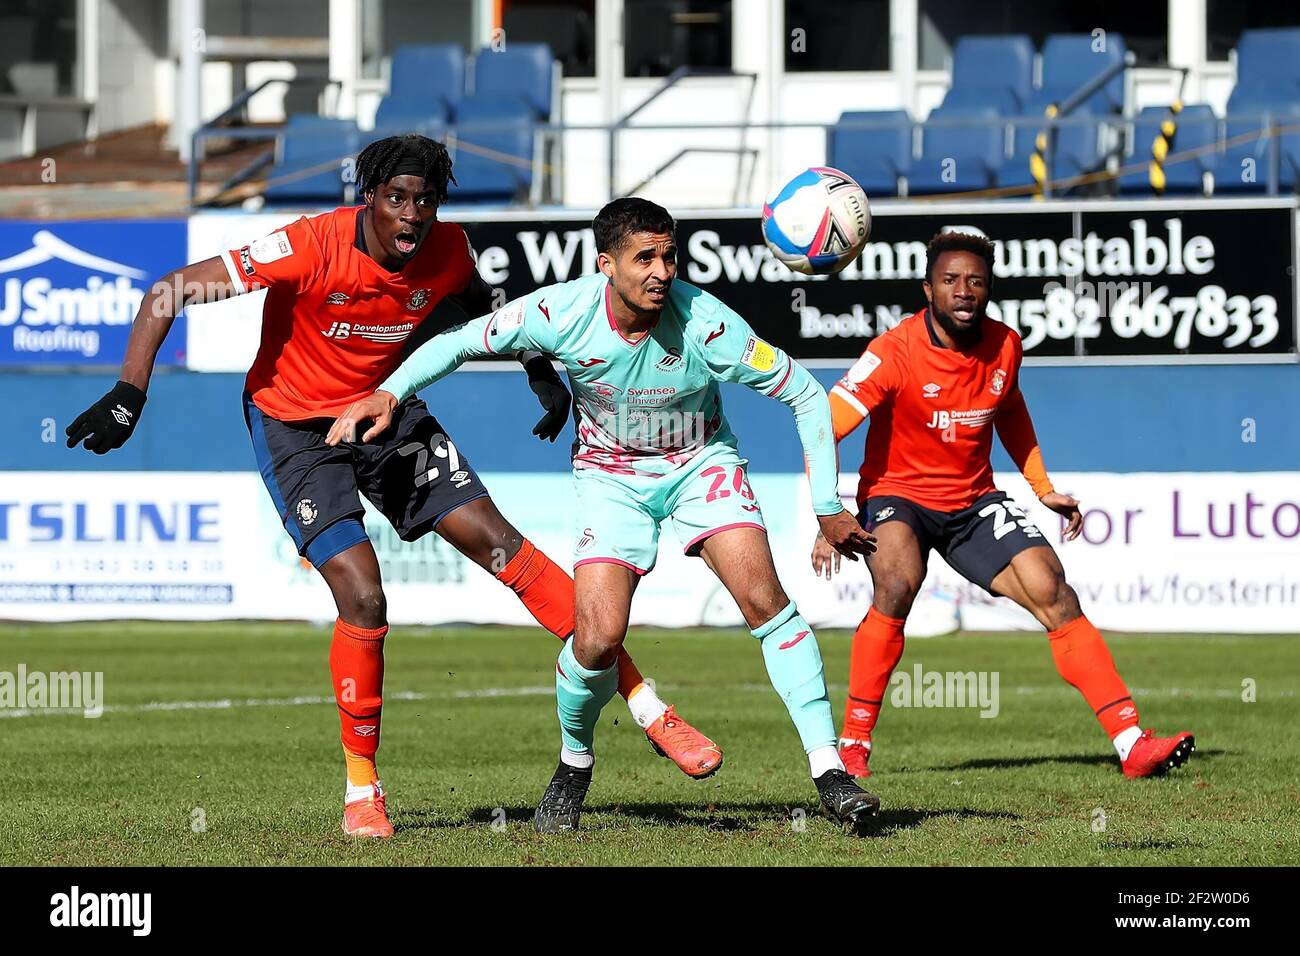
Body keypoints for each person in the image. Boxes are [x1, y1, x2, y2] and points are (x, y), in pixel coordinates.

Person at [65, 136, 719, 840]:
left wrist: (538, 374)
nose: (412, 215)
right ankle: (362, 790)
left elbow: (485, 312)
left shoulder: (447, 250)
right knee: (363, 593)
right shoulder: (308, 245)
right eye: (397, 198)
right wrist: (129, 393)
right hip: (295, 428)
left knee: (502, 546)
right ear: (368, 198)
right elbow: (169, 289)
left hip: (385, 413)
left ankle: (651, 709)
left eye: (426, 200)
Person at [328, 197, 883, 835]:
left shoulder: (706, 324)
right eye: (644, 257)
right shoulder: (560, 313)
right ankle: (573, 765)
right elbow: (457, 342)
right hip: (612, 476)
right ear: (606, 264)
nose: (662, 271)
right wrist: (391, 393)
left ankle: (829, 772)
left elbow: (807, 393)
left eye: (670, 256)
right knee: (595, 638)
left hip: (702, 462)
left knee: (765, 599)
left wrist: (826, 506)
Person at [814, 230, 1195, 780]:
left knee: (1052, 587)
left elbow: (1010, 411)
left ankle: (1132, 744)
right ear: (928, 289)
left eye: (975, 281)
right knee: (897, 579)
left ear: (988, 290)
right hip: (898, 494)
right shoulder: (891, 353)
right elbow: (824, 428)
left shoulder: (1005, 345)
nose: (964, 291)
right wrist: (829, 513)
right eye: (950, 281)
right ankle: (853, 747)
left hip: (971, 501)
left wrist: (1043, 489)